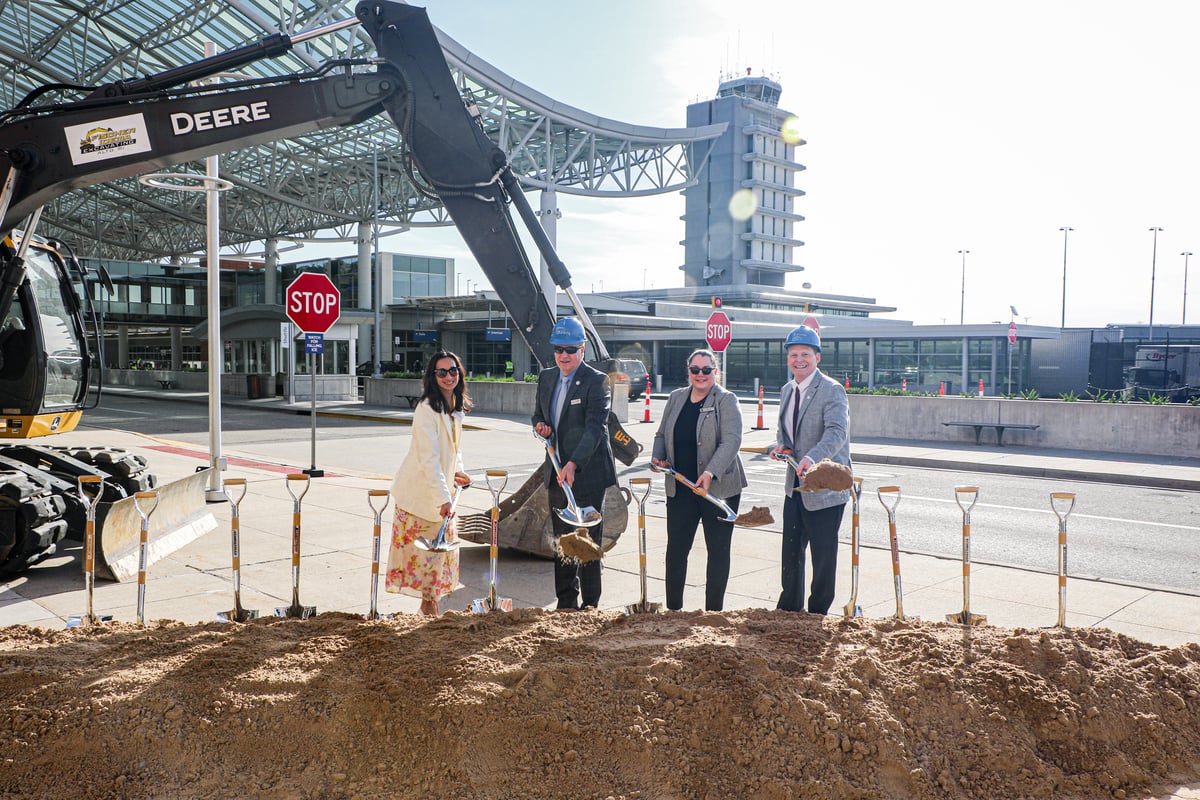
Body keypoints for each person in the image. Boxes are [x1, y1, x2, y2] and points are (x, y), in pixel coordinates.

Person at [650, 349, 747, 611]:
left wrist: (710, 472)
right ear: (689, 371)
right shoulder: (676, 397)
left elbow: (732, 441)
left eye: (706, 370)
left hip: (718, 490)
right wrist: (658, 457)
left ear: (716, 372)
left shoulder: (726, 399)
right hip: (681, 488)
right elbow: (661, 434)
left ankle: (713, 613)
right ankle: (674, 610)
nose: (700, 375)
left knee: (718, 551)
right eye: (695, 370)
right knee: (676, 550)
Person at [532, 317, 618, 610]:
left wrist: (573, 464)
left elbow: (596, 428)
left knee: (587, 541)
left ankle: (590, 605)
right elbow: (538, 415)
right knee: (563, 541)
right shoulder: (546, 378)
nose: (564, 355)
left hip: (588, 474)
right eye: (559, 349)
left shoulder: (597, 381)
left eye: (570, 349)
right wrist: (541, 427)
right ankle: (566, 602)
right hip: (557, 473)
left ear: (582, 349)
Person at [770, 325, 851, 614]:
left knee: (823, 556)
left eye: (805, 354)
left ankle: (818, 612)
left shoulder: (831, 389)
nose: (799, 360)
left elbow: (837, 432)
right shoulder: (787, 390)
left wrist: (812, 458)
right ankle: (789, 609)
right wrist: (781, 446)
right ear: (788, 358)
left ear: (817, 357)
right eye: (794, 354)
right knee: (791, 552)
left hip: (826, 487)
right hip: (795, 486)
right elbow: (786, 432)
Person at [386, 350, 472, 616]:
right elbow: (429, 459)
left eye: (453, 370)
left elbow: (453, 448)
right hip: (421, 498)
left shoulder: (454, 406)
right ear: (432, 377)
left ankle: (428, 613)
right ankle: (429, 613)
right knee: (427, 563)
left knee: (438, 563)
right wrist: (443, 499)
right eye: (441, 372)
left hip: (441, 496)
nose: (448, 376)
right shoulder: (427, 409)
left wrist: (458, 471)